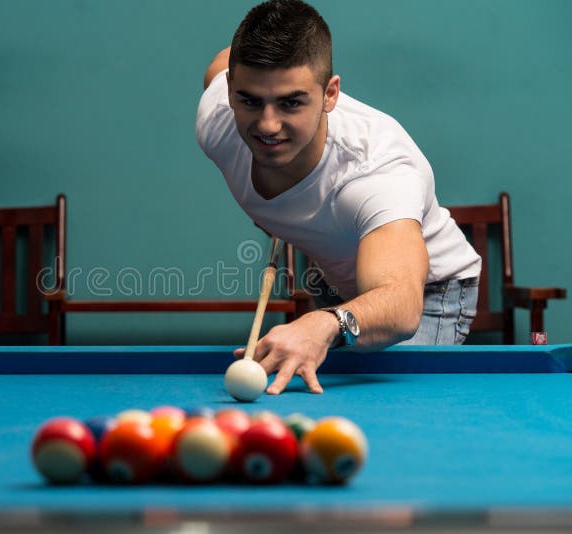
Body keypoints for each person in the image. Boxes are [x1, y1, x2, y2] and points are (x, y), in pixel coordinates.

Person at [196, 0, 481, 395]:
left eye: (291, 102)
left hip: (427, 290)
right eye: (250, 100)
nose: (267, 125)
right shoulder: (218, 121)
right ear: (230, 89)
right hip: (336, 273)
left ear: (330, 94)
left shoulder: (376, 172)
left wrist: (323, 324)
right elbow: (221, 62)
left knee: (385, 407)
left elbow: (401, 303)